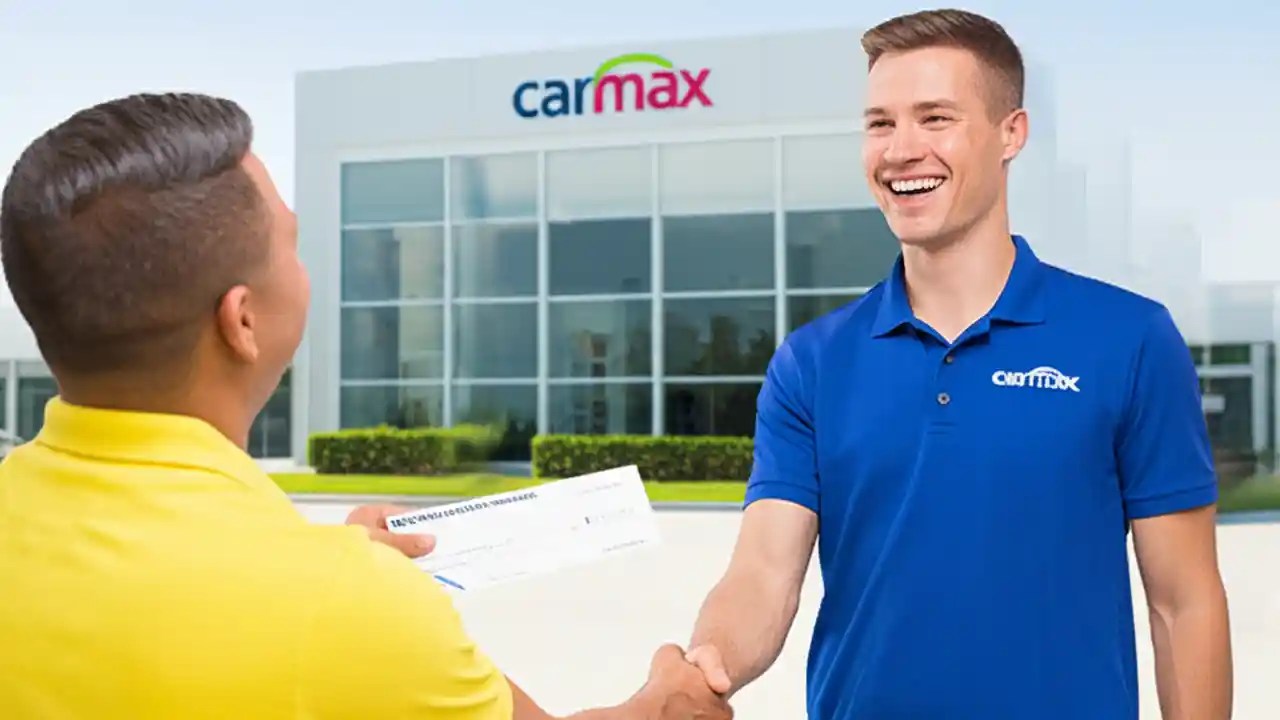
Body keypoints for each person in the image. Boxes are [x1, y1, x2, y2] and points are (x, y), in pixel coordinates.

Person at [0, 92, 731, 720]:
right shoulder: (347, 608)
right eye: (291, 243)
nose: (305, 267)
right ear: (243, 321)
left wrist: (327, 562)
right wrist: (664, 703)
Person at [680, 8, 1233, 719]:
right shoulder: (811, 363)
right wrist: (704, 668)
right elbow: (762, 574)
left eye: (935, 118)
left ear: (1012, 133)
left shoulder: (1129, 339)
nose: (900, 150)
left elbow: (1184, 601)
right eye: (880, 123)